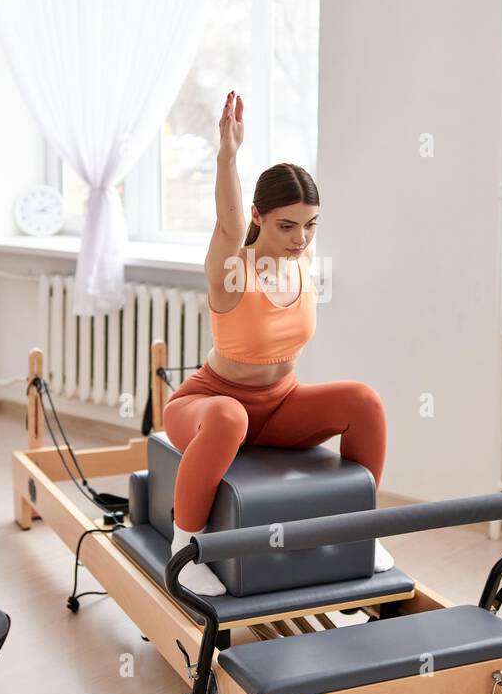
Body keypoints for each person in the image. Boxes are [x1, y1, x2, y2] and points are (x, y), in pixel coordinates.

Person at [163, 91, 390, 596]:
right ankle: (185, 545)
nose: (301, 238)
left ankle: (360, 530)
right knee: (229, 417)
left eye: (311, 225)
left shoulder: (302, 262)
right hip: (209, 406)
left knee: (364, 402)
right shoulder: (232, 271)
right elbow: (226, 223)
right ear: (259, 217)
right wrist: (227, 154)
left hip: (279, 408)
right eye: (288, 225)